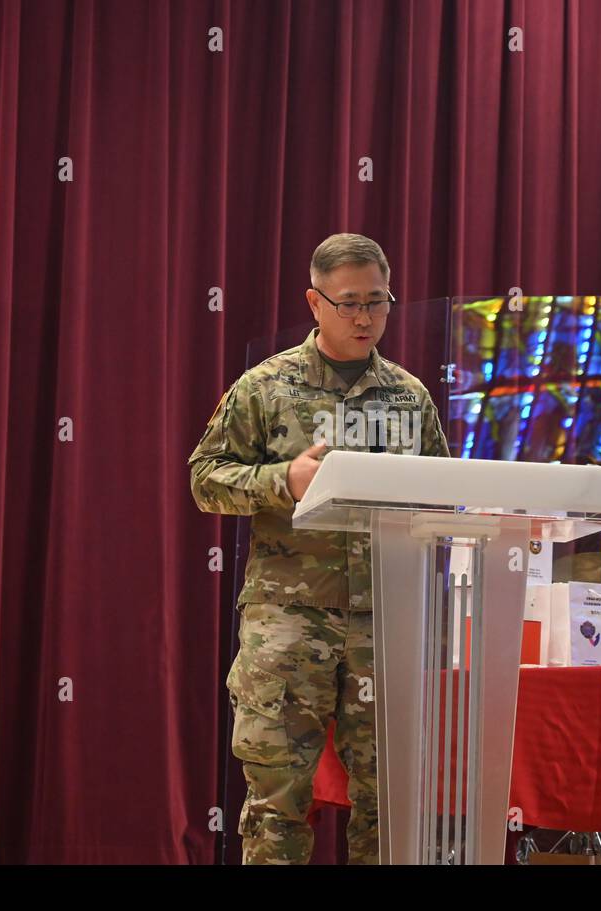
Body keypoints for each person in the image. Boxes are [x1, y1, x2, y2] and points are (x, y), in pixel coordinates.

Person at [188, 233, 450, 864]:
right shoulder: (267, 386)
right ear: (315, 301)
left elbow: (446, 493)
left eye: (378, 302)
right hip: (288, 624)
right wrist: (284, 480)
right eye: (349, 303)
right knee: (277, 804)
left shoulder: (409, 398)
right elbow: (204, 480)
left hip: (386, 621)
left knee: (389, 804)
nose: (365, 318)